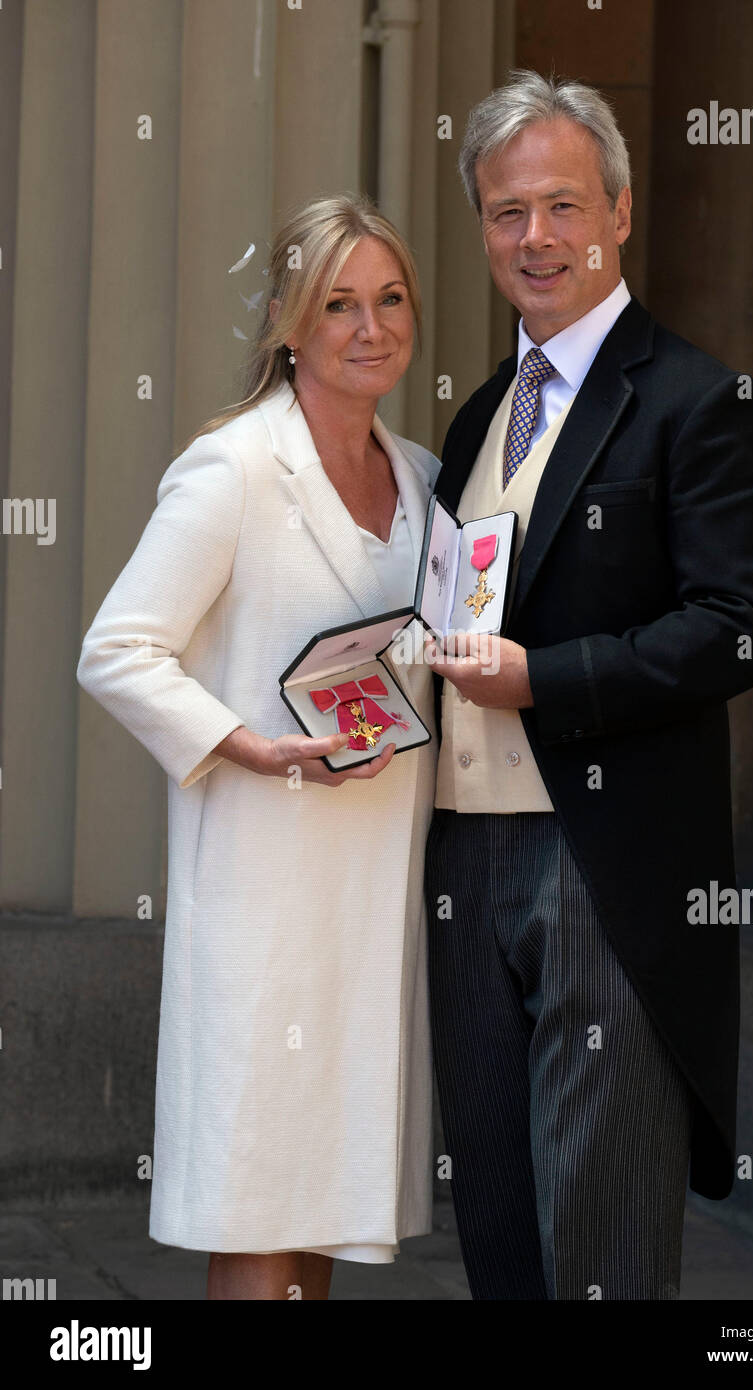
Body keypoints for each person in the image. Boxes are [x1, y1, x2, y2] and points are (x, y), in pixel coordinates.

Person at [423, 70, 753, 1301]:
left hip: (606, 868)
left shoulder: (698, 403)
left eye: (564, 205)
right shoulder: (478, 420)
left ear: (620, 213)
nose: (537, 237)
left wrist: (548, 680)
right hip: (461, 864)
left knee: (605, 1251)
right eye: (506, 212)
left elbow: (746, 627)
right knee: (499, 1237)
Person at [77, 195, 440, 1300]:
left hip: (377, 892)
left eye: (388, 300)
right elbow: (118, 648)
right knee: (256, 1201)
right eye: (339, 304)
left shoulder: (423, 476)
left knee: (324, 1198)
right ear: (289, 320)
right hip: (267, 892)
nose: (370, 327)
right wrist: (253, 746)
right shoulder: (232, 468)